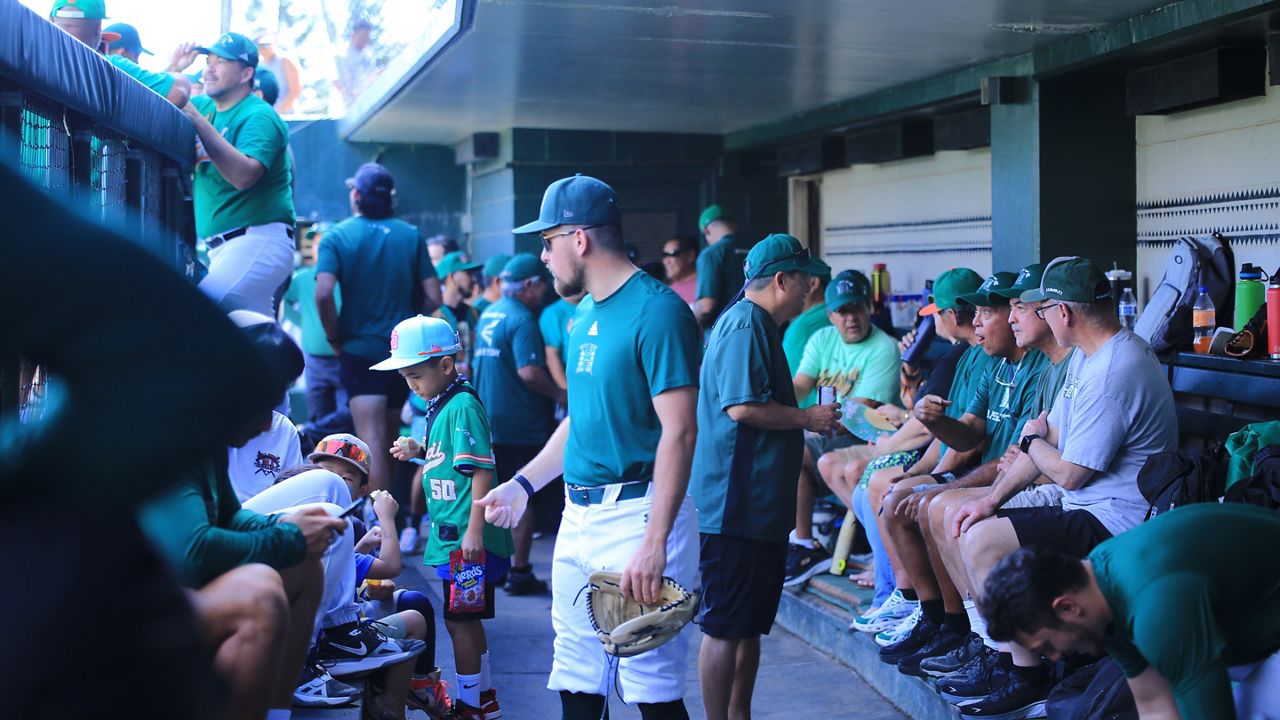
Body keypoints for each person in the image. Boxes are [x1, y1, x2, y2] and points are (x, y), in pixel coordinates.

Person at [476, 175, 702, 719]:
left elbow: (681, 430)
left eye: (547, 241)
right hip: (577, 516)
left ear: (579, 240)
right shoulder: (582, 314)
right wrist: (524, 483)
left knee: (651, 682)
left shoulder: (659, 311)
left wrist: (655, 541)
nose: (543, 255)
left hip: (639, 514)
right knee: (576, 673)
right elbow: (582, 420)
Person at [942, 257, 1178, 716]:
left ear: (1063, 313)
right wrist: (990, 499)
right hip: (1085, 507)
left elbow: (1069, 471)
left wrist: (1031, 442)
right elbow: (1044, 441)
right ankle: (1014, 660)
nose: (1039, 318)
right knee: (974, 522)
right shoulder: (1087, 360)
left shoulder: (1116, 366)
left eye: (1043, 309)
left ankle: (1027, 677)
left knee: (985, 540)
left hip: (1118, 518)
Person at [137, 315, 349, 720]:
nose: (267, 421)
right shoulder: (176, 431)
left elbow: (230, 517)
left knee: (303, 565)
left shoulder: (210, 436)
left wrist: (288, 529)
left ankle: (277, 713)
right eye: (264, 402)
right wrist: (286, 538)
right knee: (261, 596)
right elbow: (193, 550)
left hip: (174, 593)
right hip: (134, 607)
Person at [691, 233, 839, 720]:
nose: (810, 290)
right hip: (736, 505)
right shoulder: (744, 324)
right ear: (781, 279)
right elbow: (742, 407)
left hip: (758, 507)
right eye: (805, 279)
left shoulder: (757, 325)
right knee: (724, 627)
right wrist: (808, 419)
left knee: (748, 625)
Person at [876, 271, 1049, 677]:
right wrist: (932, 422)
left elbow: (1013, 459)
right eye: (976, 312)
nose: (975, 323)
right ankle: (943, 622)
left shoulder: (1038, 367)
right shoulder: (994, 364)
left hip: (1016, 481)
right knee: (902, 500)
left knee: (930, 504)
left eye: (986, 312)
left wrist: (947, 484)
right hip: (991, 474)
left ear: (1013, 315)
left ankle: (974, 636)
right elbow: (969, 432)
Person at [981, 504, 1280, 720]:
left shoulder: (1154, 606)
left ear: (1067, 607)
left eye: (1047, 645)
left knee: (1248, 708)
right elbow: (1154, 704)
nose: (1055, 656)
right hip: (1254, 625)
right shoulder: (1097, 593)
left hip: (1263, 631)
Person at [383, 316, 515, 720]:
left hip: (464, 540)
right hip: (452, 536)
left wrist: (475, 530)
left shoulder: (462, 405)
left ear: (445, 365)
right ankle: (483, 700)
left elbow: (482, 469)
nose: (412, 386)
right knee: (467, 621)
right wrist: (418, 447)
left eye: (416, 375)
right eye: (405, 377)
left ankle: (471, 706)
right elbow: (449, 456)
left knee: (460, 622)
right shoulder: (444, 402)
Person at [317, 162, 442, 494]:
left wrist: (334, 337)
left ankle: (382, 528)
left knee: (370, 439)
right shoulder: (411, 236)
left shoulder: (337, 236)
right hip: (402, 353)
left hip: (359, 350)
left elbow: (324, 292)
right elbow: (434, 296)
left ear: (356, 195)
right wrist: (408, 322)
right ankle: (396, 526)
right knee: (389, 439)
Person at [784, 269, 901, 586]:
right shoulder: (823, 338)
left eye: (857, 308)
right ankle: (799, 541)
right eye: (842, 311)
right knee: (777, 442)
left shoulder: (884, 347)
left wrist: (806, 422)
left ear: (869, 308)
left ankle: (805, 544)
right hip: (826, 431)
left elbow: (860, 413)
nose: (851, 318)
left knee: (797, 451)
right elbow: (800, 385)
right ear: (830, 314)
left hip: (868, 436)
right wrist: (782, 408)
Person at [184, 32, 295, 317]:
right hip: (225, 249)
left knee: (198, 314)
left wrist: (198, 121)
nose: (209, 67)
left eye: (221, 61)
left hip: (256, 241)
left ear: (247, 73)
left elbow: (244, 176)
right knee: (256, 340)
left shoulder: (259, 115)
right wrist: (175, 67)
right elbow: (162, 93)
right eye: (208, 60)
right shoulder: (208, 108)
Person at [474, 253, 566, 595]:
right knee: (519, 492)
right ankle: (520, 570)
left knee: (491, 494)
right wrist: (559, 394)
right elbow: (529, 373)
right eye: (541, 284)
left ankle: (496, 567)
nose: (545, 291)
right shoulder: (524, 319)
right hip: (519, 423)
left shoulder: (489, 312)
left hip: (489, 421)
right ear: (529, 285)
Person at [282, 233, 353, 447]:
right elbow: (284, 301)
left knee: (347, 415)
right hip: (314, 360)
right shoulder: (303, 278)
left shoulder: (348, 278)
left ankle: (309, 433)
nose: (319, 250)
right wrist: (304, 322)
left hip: (344, 357)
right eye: (315, 245)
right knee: (317, 411)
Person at [48, 3, 192, 108]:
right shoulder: (109, 66)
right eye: (137, 55)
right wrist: (175, 69)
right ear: (98, 29)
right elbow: (179, 92)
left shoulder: (36, 58)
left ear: (52, 20)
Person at [780, 261, 833, 401]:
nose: (782, 288)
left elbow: (789, 387)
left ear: (813, 284)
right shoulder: (836, 315)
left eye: (789, 281)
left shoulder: (803, 326)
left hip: (808, 417)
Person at [694, 204, 751, 330]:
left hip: (723, 333)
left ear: (706, 231)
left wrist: (690, 321)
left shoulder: (710, 255)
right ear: (734, 225)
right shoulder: (755, 250)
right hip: (756, 328)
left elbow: (706, 306)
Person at [433, 250, 484, 376]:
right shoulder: (432, 318)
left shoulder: (476, 314)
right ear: (451, 277)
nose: (473, 278)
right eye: (468, 273)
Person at [335, 18, 378, 108]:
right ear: (353, 35)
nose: (364, 42)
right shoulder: (341, 56)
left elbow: (371, 76)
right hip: (348, 106)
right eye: (361, 38)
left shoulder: (368, 54)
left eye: (366, 38)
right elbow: (340, 84)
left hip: (369, 101)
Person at [254, 32, 301, 113]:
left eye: (266, 44)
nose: (262, 48)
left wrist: (280, 112)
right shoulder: (259, 64)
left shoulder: (285, 60)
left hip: (287, 115)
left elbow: (295, 90)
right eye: (260, 45)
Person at [662, 234, 699, 308]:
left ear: (690, 256)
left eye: (673, 254)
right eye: (664, 255)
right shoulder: (666, 291)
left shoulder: (705, 285)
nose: (666, 261)